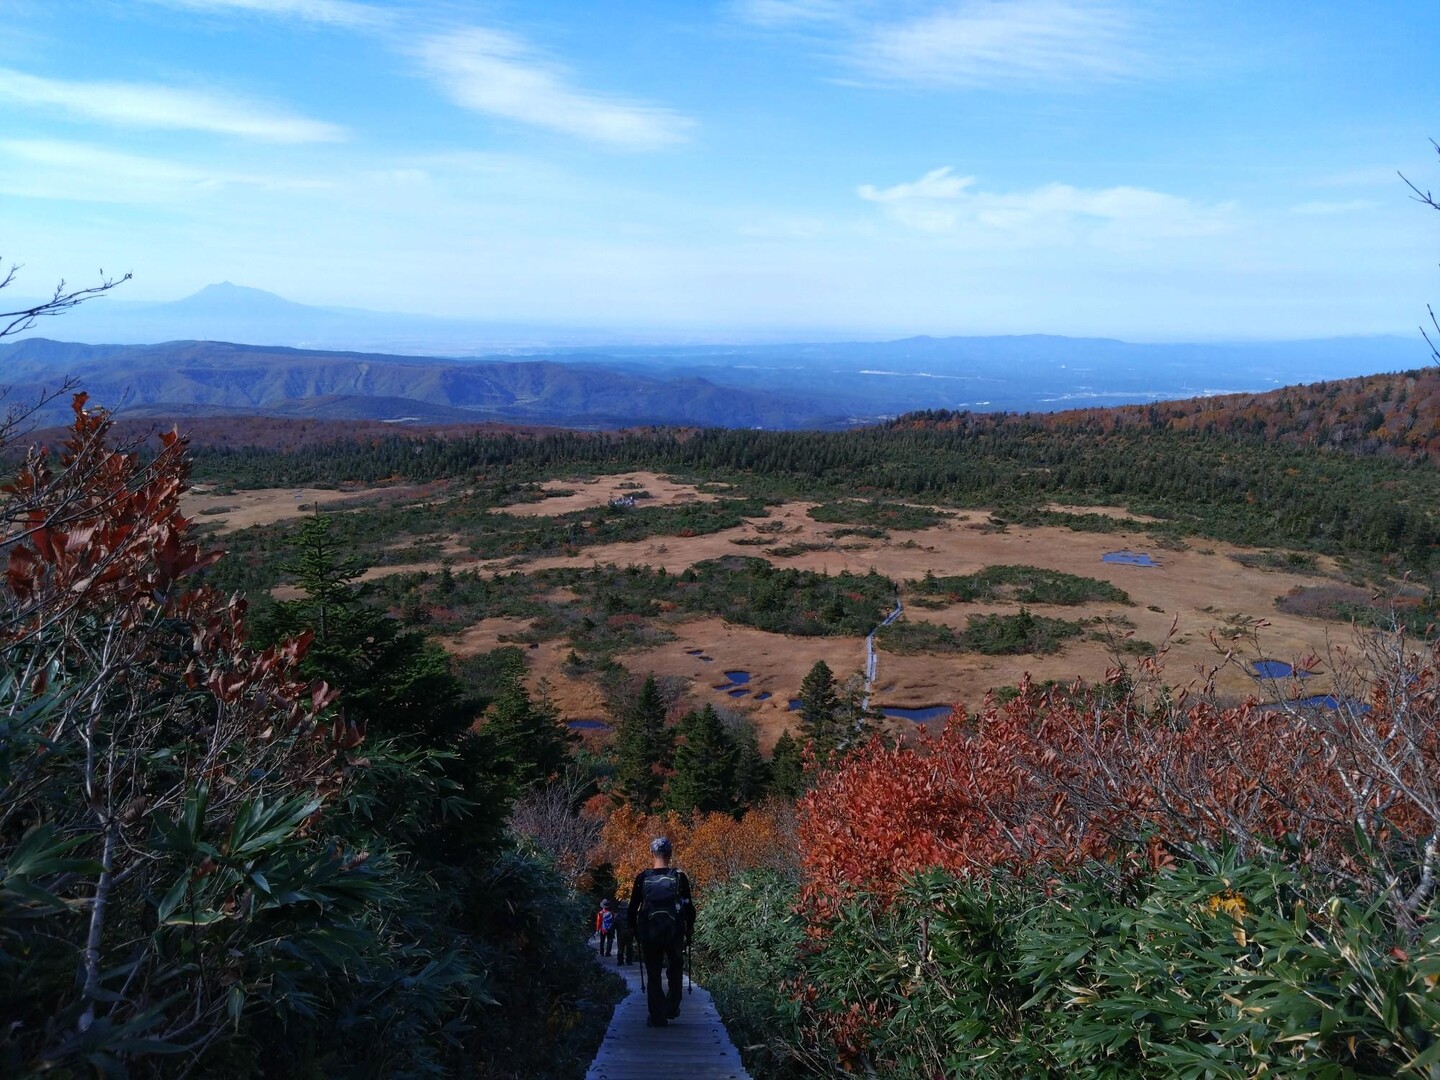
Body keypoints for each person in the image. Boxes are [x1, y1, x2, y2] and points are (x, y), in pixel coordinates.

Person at [628, 836, 695, 1028]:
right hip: (674, 931)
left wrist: (634, 930)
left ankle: (657, 1016)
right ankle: (672, 1007)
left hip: (649, 932)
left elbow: (633, 908)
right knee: (675, 968)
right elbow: (688, 906)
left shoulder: (643, 877)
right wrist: (689, 927)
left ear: (652, 853)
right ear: (670, 854)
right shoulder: (679, 877)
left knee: (653, 973)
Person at [614, 898, 635, 966]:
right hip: (629, 933)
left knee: (620, 947)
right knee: (629, 946)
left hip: (620, 933)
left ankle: (620, 961)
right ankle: (629, 961)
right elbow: (634, 925)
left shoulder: (617, 916)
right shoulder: (631, 915)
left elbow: (614, 925)